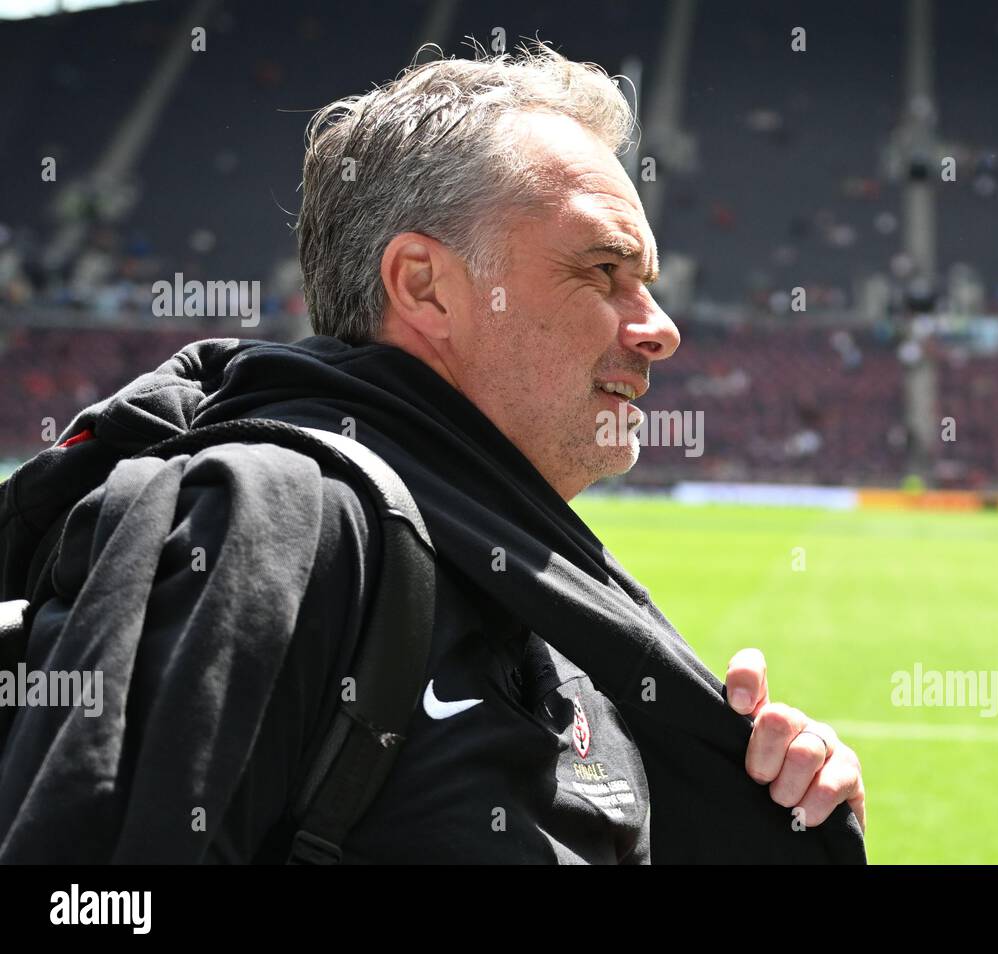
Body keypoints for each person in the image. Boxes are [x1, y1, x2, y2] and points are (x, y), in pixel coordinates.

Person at [0, 44, 864, 864]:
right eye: (604, 271)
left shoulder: (540, 591)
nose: (661, 330)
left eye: (650, 284)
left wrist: (763, 814)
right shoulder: (276, 519)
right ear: (423, 285)